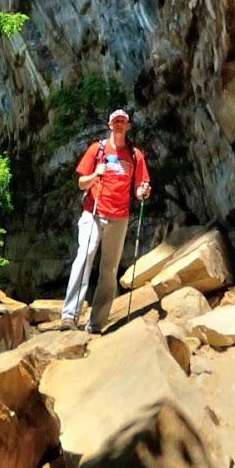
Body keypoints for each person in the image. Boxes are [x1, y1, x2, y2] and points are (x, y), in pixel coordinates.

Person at [59, 108, 151, 333]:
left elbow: (139, 189)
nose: (119, 125)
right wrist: (95, 173)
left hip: (119, 217)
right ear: (110, 125)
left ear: (127, 126)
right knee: (85, 255)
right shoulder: (97, 149)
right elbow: (82, 183)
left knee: (109, 270)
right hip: (94, 212)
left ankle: (96, 324)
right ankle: (69, 315)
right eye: (115, 121)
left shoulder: (135, 155)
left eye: (123, 122)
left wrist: (143, 190)